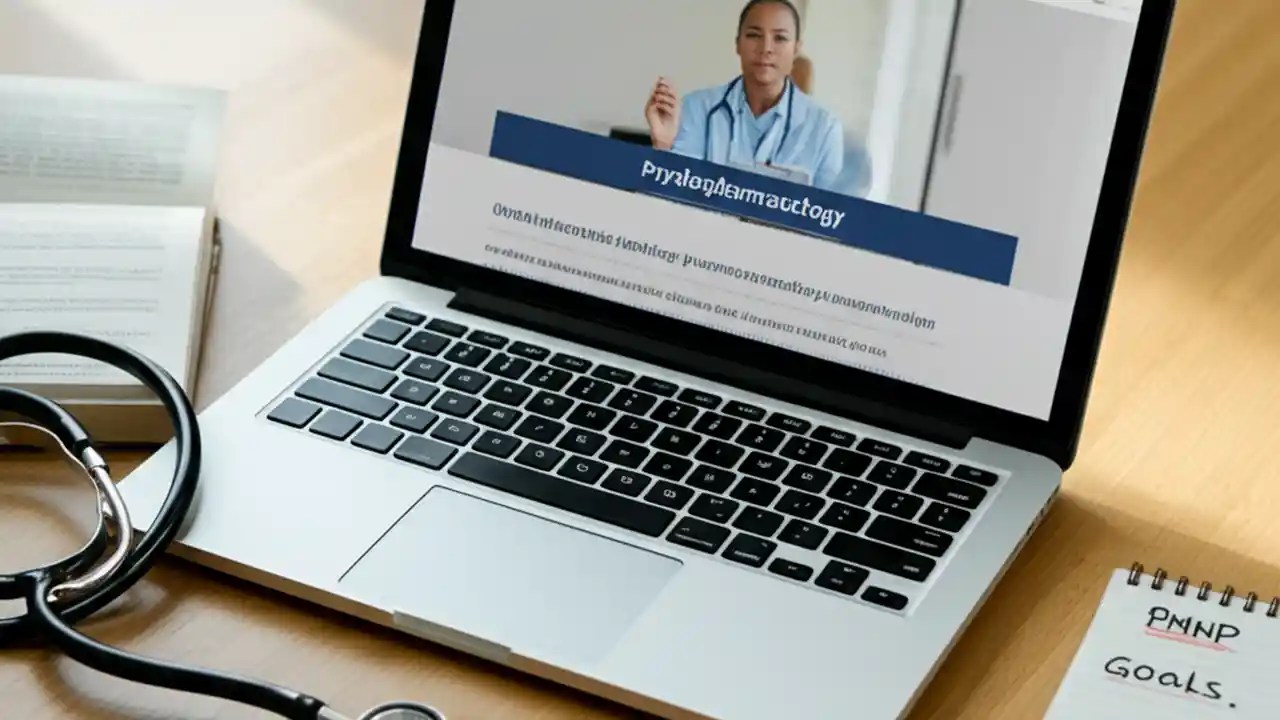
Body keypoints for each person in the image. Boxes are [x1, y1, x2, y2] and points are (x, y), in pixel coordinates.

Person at [644, 0, 845, 191]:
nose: (766, 48)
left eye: (780, 38)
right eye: (754, 35)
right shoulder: (695, 108)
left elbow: (829, 216)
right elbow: (673, 198)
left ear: (796, 49)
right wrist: (663, 145)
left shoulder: (824, 129)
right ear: (737, 44)